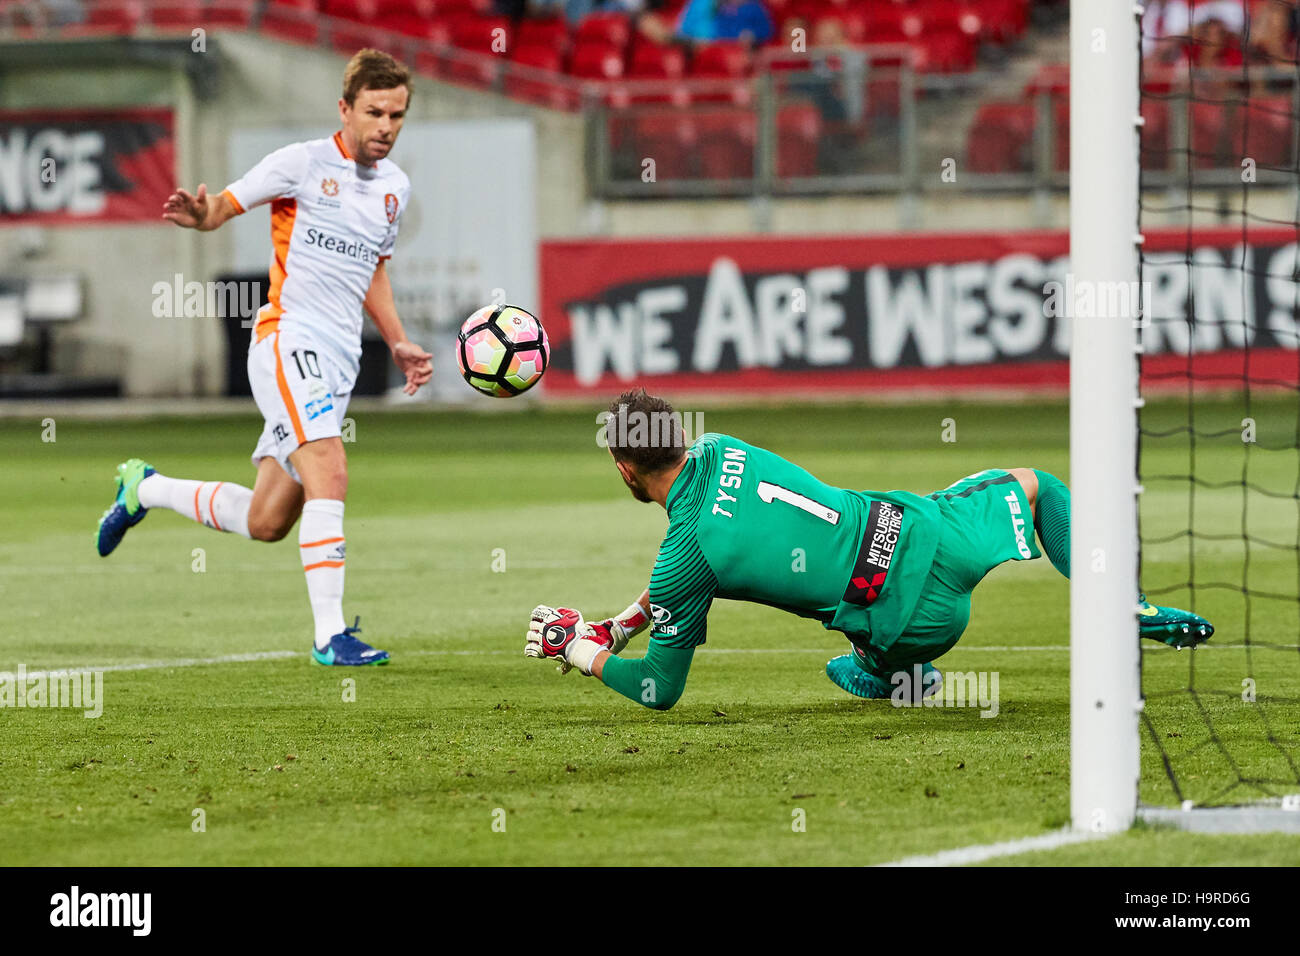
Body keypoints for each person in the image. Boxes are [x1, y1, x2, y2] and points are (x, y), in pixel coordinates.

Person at [524, 390, 1215, 709]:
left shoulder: (685, 555)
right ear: (679, 434)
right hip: (927, 531)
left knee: (851, 665)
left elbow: (658, 689)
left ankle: (894, 675)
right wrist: (622, 622)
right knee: (1038, 485)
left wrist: (580, 648)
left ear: (623, 468)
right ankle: (1123, 599)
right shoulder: (721, 444)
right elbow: (690, 568)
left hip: (913, 624)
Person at [95, 49, 433, 667]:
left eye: (398, 115)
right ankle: (330, 637)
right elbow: (224, 204)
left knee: (268, 519)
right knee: (330, 469)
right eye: (375, 112)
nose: (386, 126)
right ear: (345, 109)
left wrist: (397, 339)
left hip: (338, 361)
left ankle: (145, 488)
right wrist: (203, 217)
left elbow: (374, 271)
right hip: (287, 340)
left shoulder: (394, 190)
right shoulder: (301, 163)